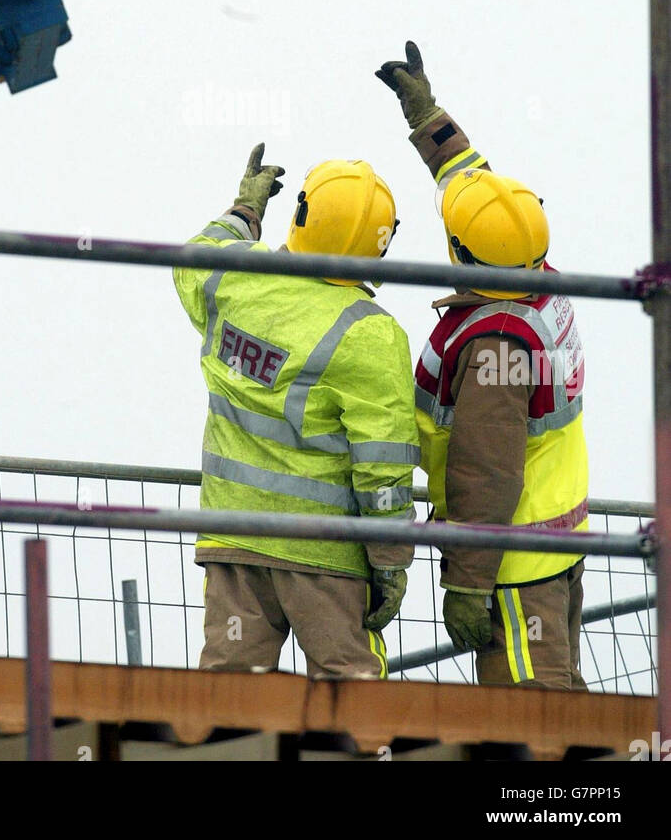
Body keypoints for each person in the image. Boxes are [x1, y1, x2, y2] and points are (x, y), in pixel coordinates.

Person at [377, 42, 589, 689]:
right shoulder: (529, 269)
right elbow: (475, 187)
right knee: (559, 702)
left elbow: (485, 469)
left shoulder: (494, 346)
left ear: (462, 253)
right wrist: (427, 118)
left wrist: (467, 582)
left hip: (513, 561)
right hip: (552, 534)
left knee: (535, 715)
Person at [173, 143, 419, 678]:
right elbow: (384, 467)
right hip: (325, 560)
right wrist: (391, 561)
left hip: (233, 541)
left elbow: (193, 260)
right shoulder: (370, 332)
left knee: (230, 701)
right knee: (349, 701)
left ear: (302, 214)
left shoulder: (237, 280)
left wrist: (244, 211)